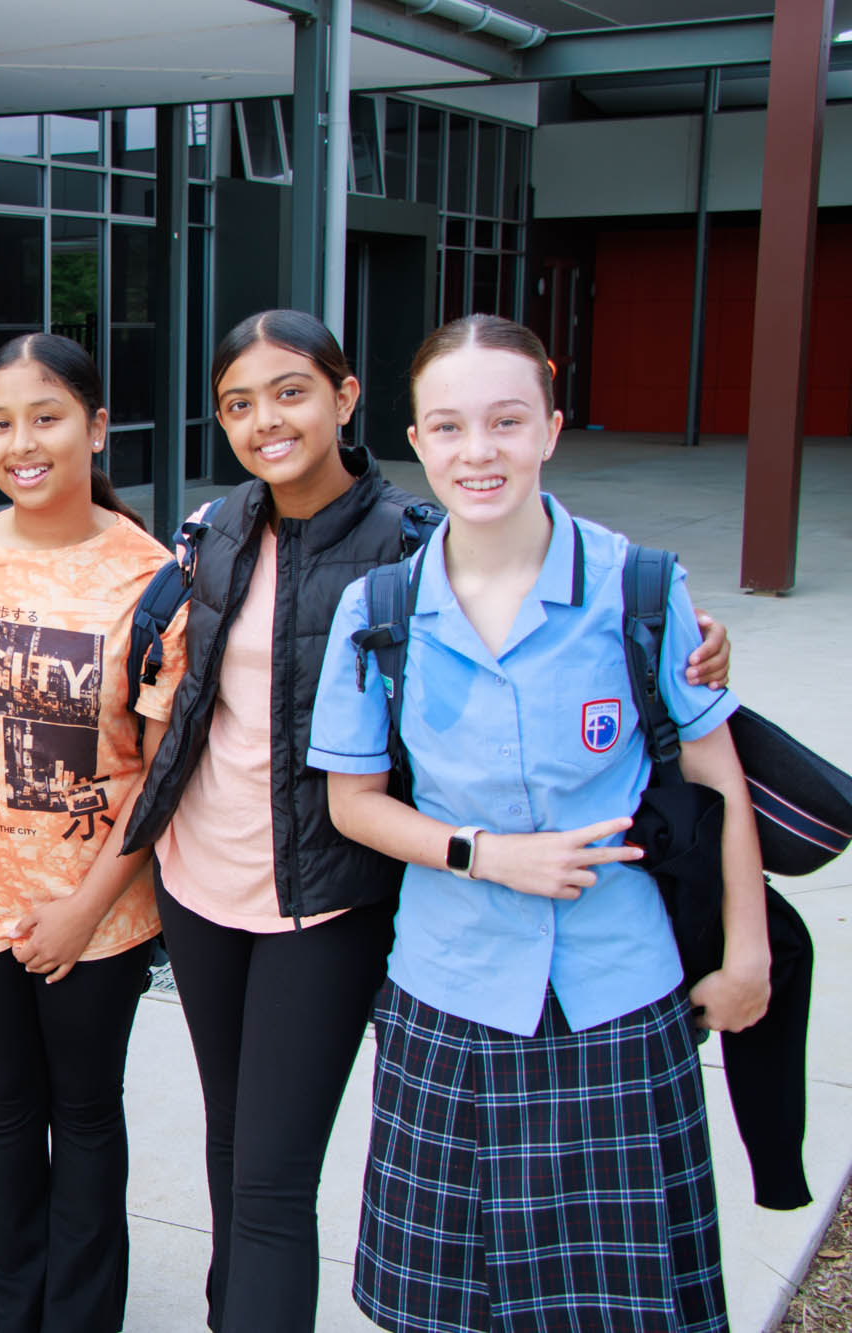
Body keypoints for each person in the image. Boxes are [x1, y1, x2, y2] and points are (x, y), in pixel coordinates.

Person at [308, 314, 768, 1332]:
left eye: (506, 421)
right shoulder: (378, 610)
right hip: (450, 993)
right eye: (450, 427)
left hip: (616, 990)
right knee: (450, 1308)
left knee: (619, 1304)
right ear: (415, 442)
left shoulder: (637, 587)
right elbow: (353, 802)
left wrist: (746, 956)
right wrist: (485, 855)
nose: (479, 452)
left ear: (550, 428)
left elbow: (715, 778)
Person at [0, 333, 169, 1333]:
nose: (22, 442)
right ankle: (4, 1312)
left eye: (46, 416)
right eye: (0, 422)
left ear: (95, 429)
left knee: (87, 1115)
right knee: (4, 1112)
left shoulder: (151, 579)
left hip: (93, 910)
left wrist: (81, 909)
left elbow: (156, 771)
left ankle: (80, 1315)